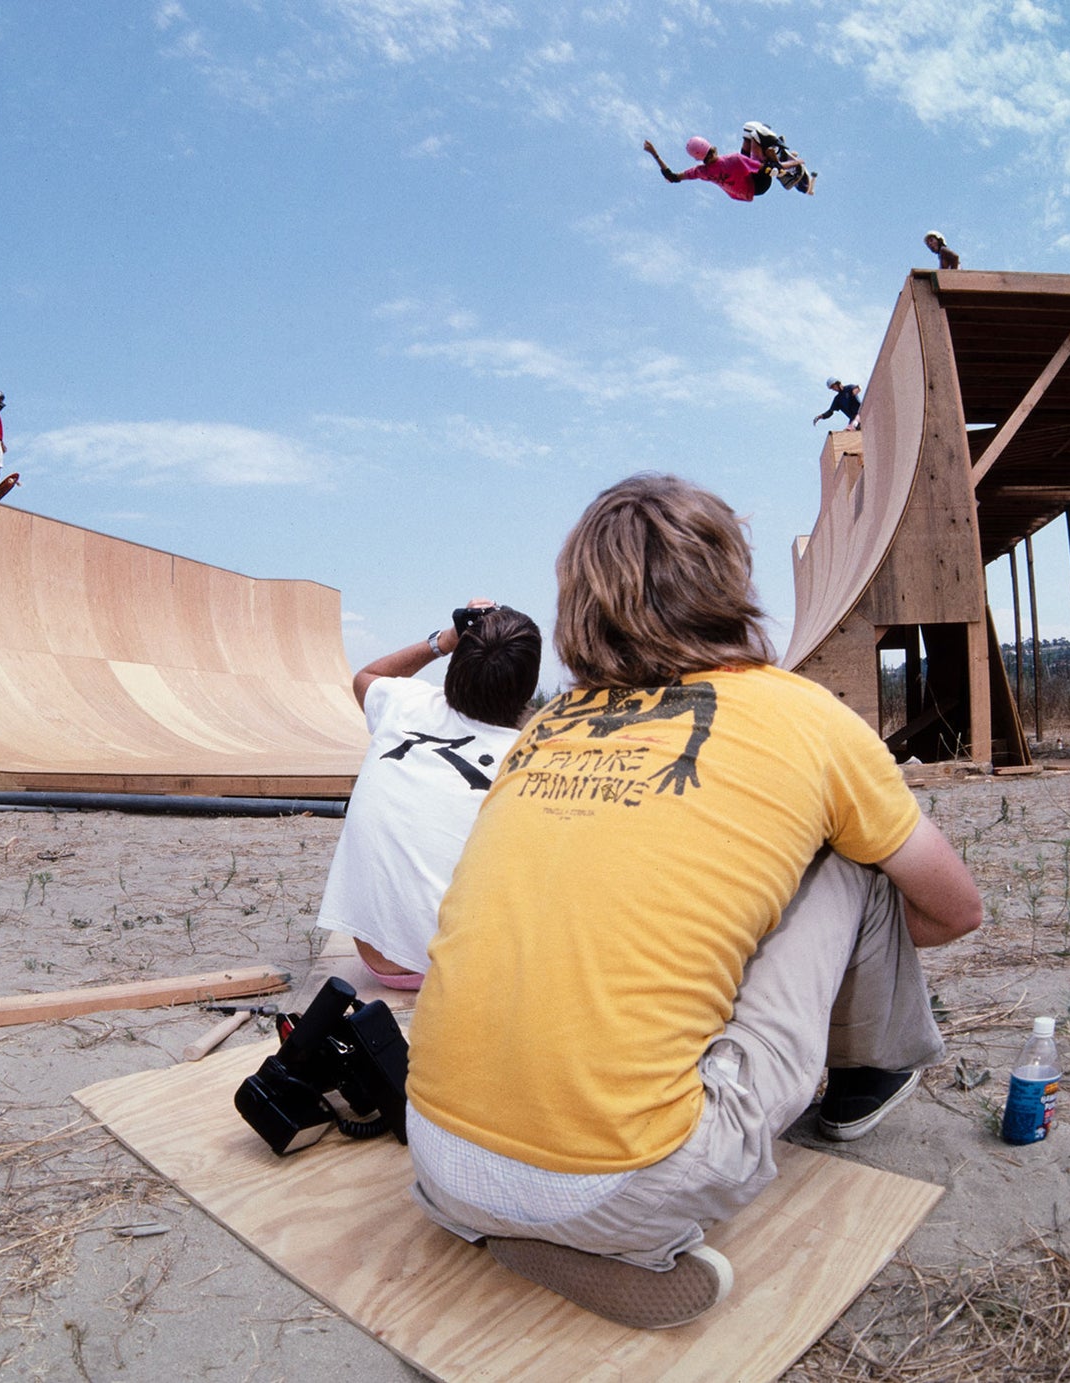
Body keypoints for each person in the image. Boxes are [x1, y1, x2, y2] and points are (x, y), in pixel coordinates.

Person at [405, 474, 983, 1330]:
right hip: (633, 1178)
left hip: (438, 1158)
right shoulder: (805, 716)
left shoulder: (545, 727)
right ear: (728, 580)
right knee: (858, 862)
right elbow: (955, 909)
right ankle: (867, 1079)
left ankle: (508, 1226)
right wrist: (779, 951)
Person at [314, 601, 543, 990]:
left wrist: (446, 640)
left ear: (459, 664)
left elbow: (367, 675)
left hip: (381, 960)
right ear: (528, 685)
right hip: (470, 964)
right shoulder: (535, 755)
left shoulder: (406, 705)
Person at [642, 137, 763, 202]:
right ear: (712, 148)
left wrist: (654, 153)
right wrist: (777, 167)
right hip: (760, 183)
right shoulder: (733, 159)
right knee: (755, 137)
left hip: (747, 191)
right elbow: (760, 166)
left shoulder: (702, 171)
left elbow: (672, 177)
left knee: (748, 141)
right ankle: (777, 160)